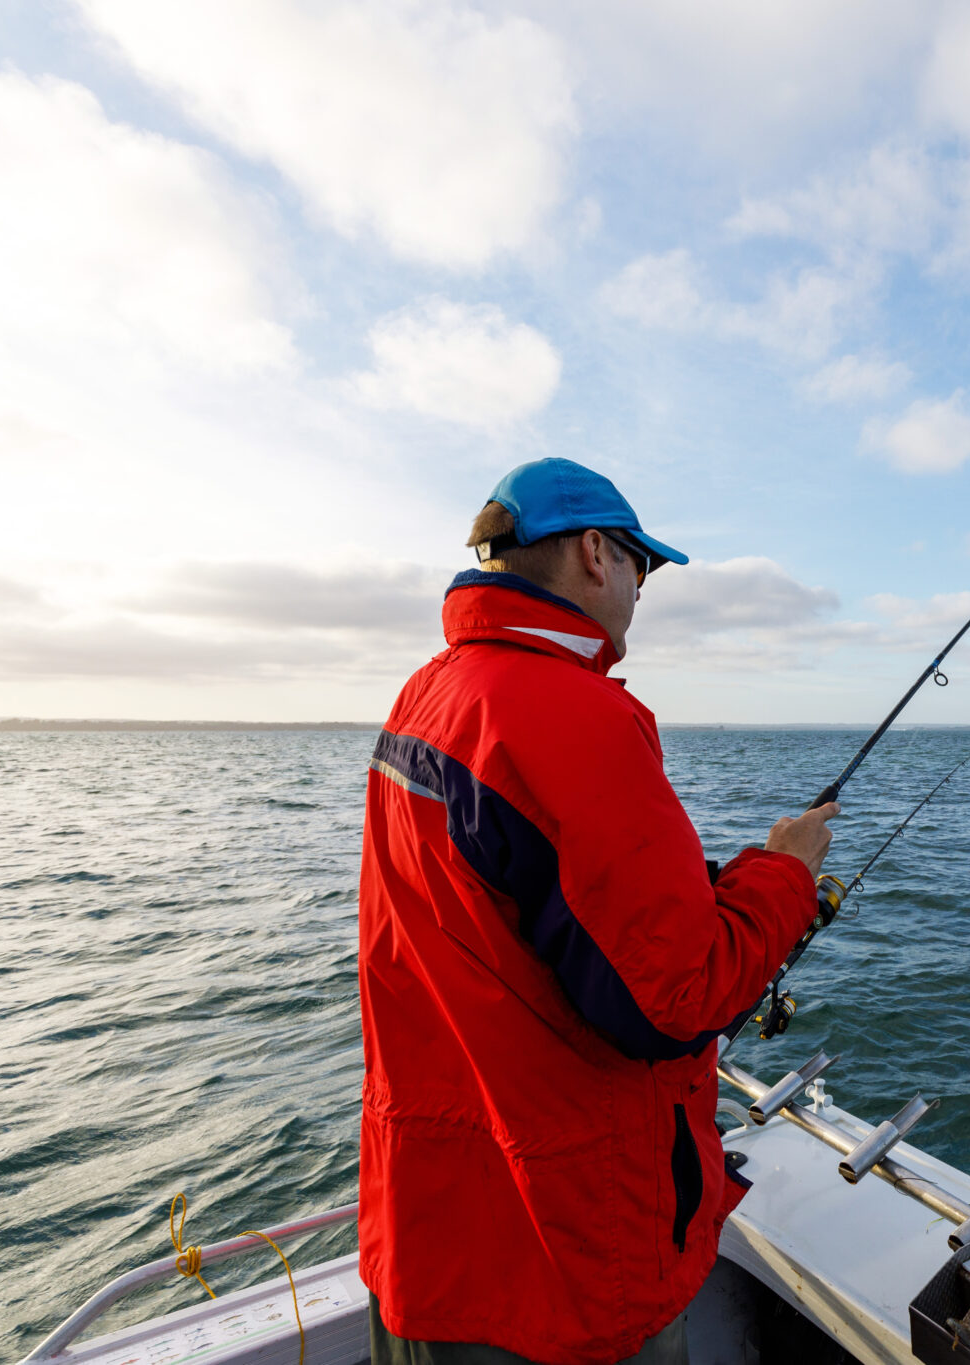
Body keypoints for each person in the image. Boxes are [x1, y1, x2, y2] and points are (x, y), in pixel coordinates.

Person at [357, 457, 839, 1364]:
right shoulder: (572, 716)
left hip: (431, 1232)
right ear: (593, 553)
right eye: (641, 564)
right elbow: (676, 999)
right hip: (563, 1264)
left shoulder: (430, 695)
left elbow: (525, 914)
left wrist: (715, 884)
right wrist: (784, 875)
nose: (643, 587)